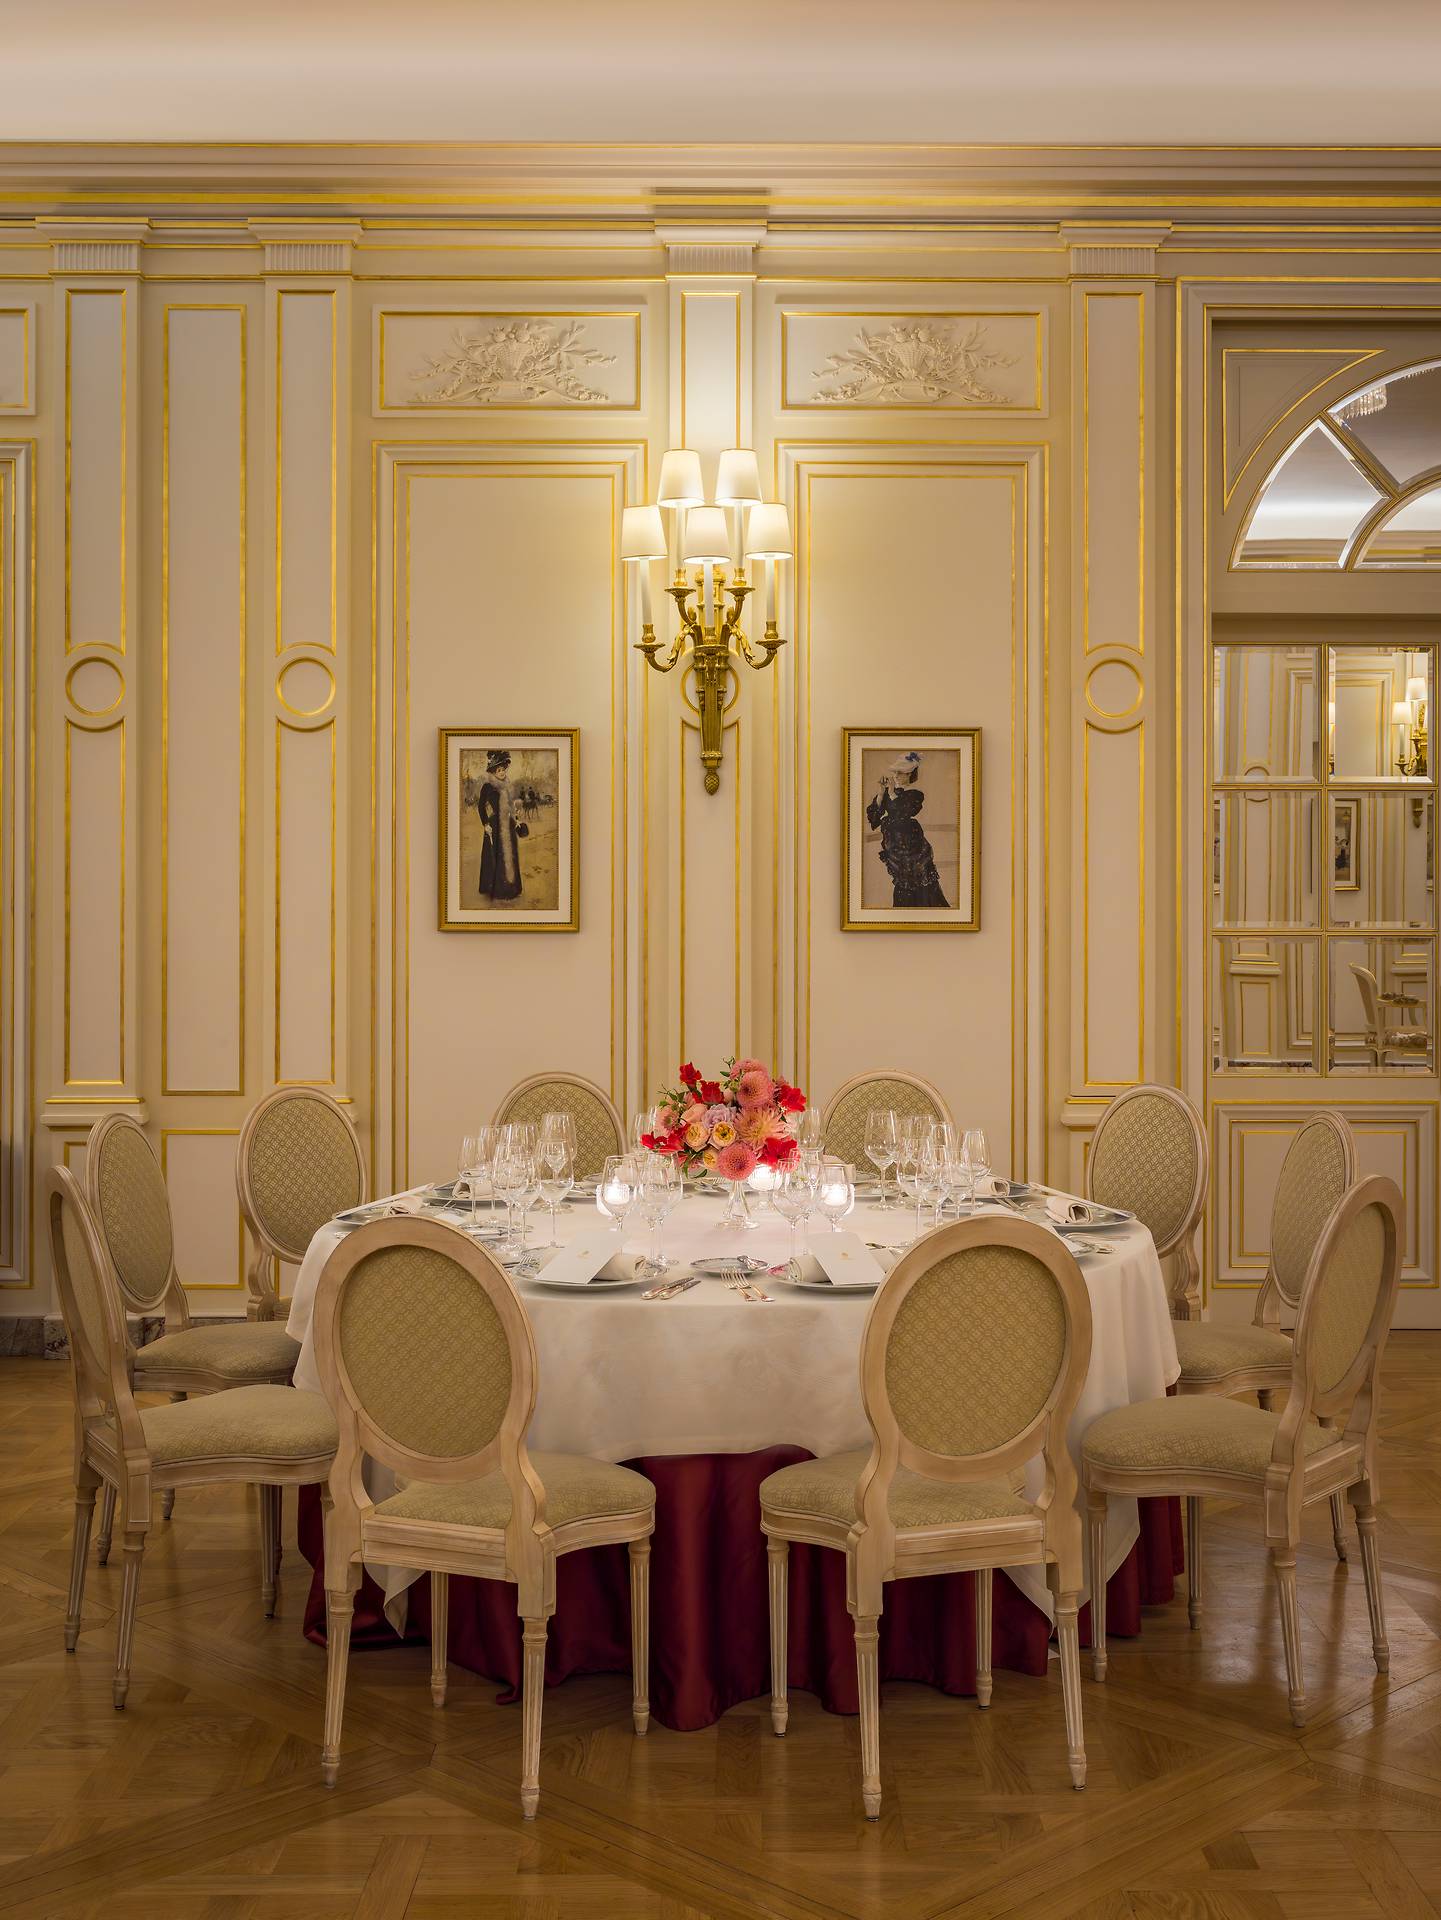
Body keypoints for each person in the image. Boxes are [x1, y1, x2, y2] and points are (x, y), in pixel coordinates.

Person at [867, 751, 949, 908]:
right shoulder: (889, 793)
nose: (896, 775)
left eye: (901, 772)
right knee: (903, 881)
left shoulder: (915, 794)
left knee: (919, 877)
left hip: (912, 843)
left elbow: (904, 812)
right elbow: (874, 818)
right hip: (895, 844)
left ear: (910, 774)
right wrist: (880, 793)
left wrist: (890, 793)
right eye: (895, 772)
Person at [476, 749, 526, 901]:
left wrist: (516, 819)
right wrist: (485, 824)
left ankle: (511, 888)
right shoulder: (487, 786)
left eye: (503, 769)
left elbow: (511, 806)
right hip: (495, 827)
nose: (502, 772)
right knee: (495, 857)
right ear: (493, 771)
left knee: (510, 856)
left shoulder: (508, 786)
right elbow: (480, 806)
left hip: (508, 826)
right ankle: (497, 889)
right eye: (499, 769)